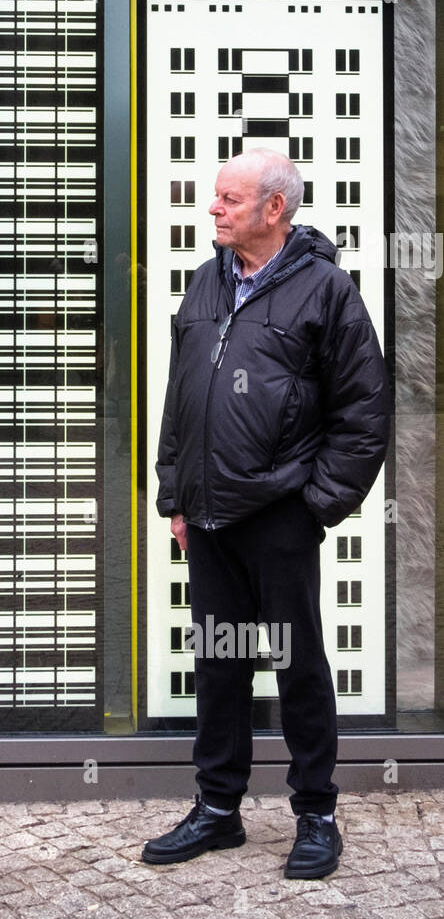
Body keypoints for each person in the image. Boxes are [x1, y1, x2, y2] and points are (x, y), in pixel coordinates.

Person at [143, 148, 391, 879]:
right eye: (215, 197)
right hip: (208, 515)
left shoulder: (326, 291)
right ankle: (218, 811)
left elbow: (366, 411)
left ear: (273, 209)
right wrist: (174, 495)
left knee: (297, 666)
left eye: (227, 199)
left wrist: (315, 505)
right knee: (219, 664)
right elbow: (180, 398)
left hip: (279, 516)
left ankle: (315, 814)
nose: (212, 208)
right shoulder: (204, 283)